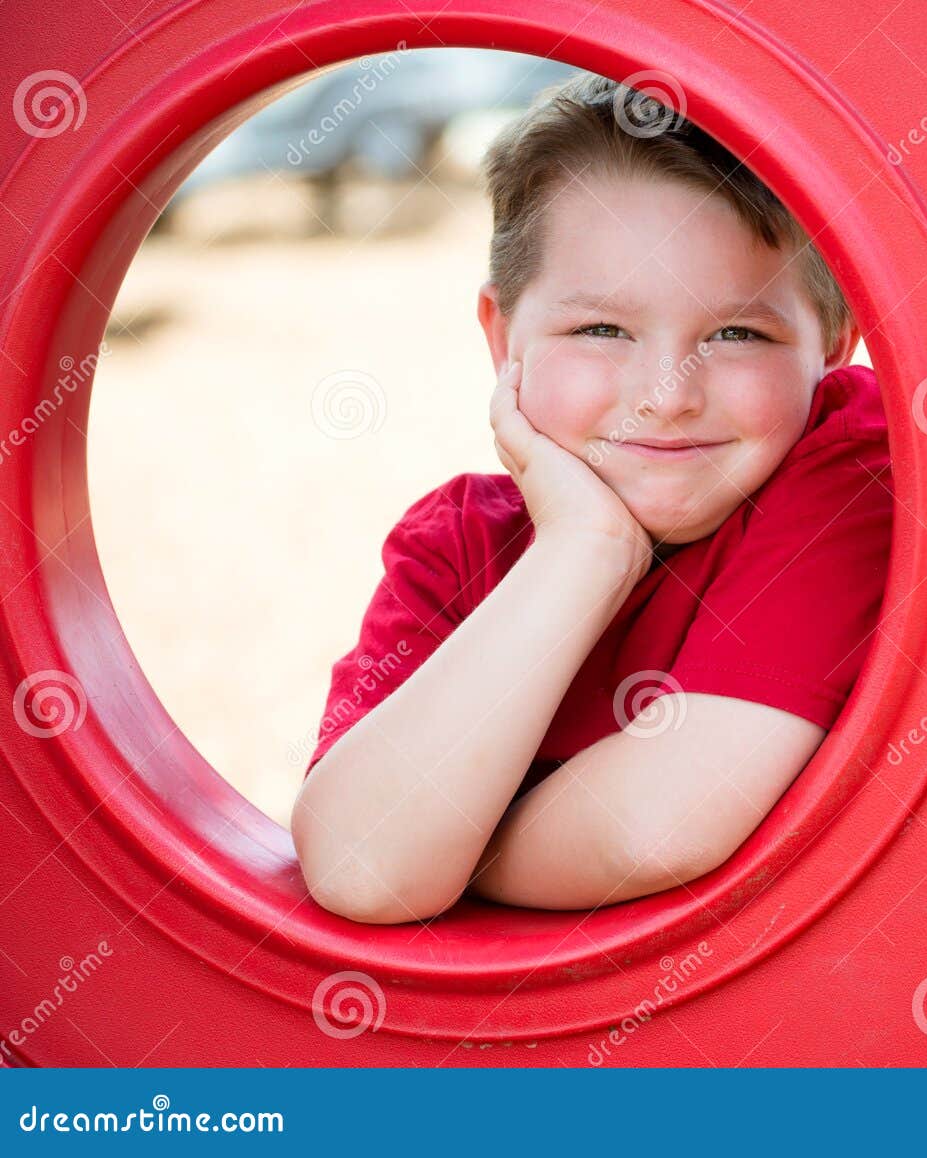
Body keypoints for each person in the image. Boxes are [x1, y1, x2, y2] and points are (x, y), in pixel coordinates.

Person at [290, 72, 892, 924]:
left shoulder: (848, 470)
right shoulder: (455, 544)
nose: (667, 394)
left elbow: (657, 828)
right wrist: (584, 550)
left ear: (833, 348)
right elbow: (364, 867)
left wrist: (463, 847)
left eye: (737, 333)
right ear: (503, 338)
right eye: (601, 330)